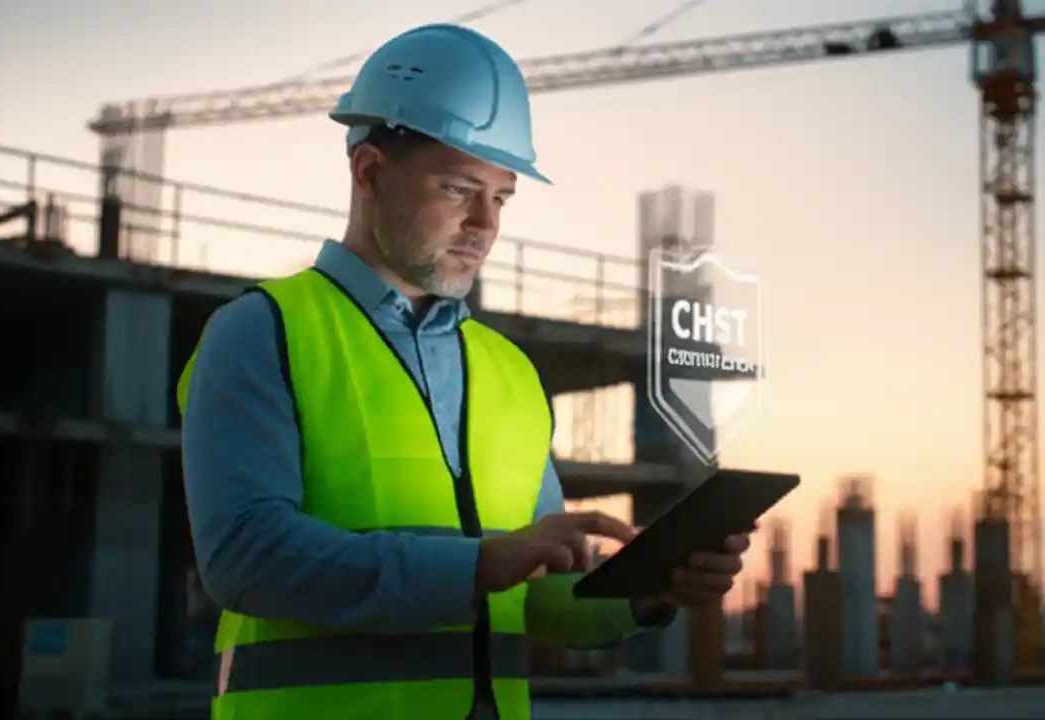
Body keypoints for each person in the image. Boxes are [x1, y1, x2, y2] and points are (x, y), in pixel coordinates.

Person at [176, 22, 752, 720]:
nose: (486, 224)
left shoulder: (510, 374)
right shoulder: (262, 332)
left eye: (501, 197)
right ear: (370, 173)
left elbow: (540, 601)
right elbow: (246, 557)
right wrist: (480, 564)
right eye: (459, 189)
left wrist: (651, 589)